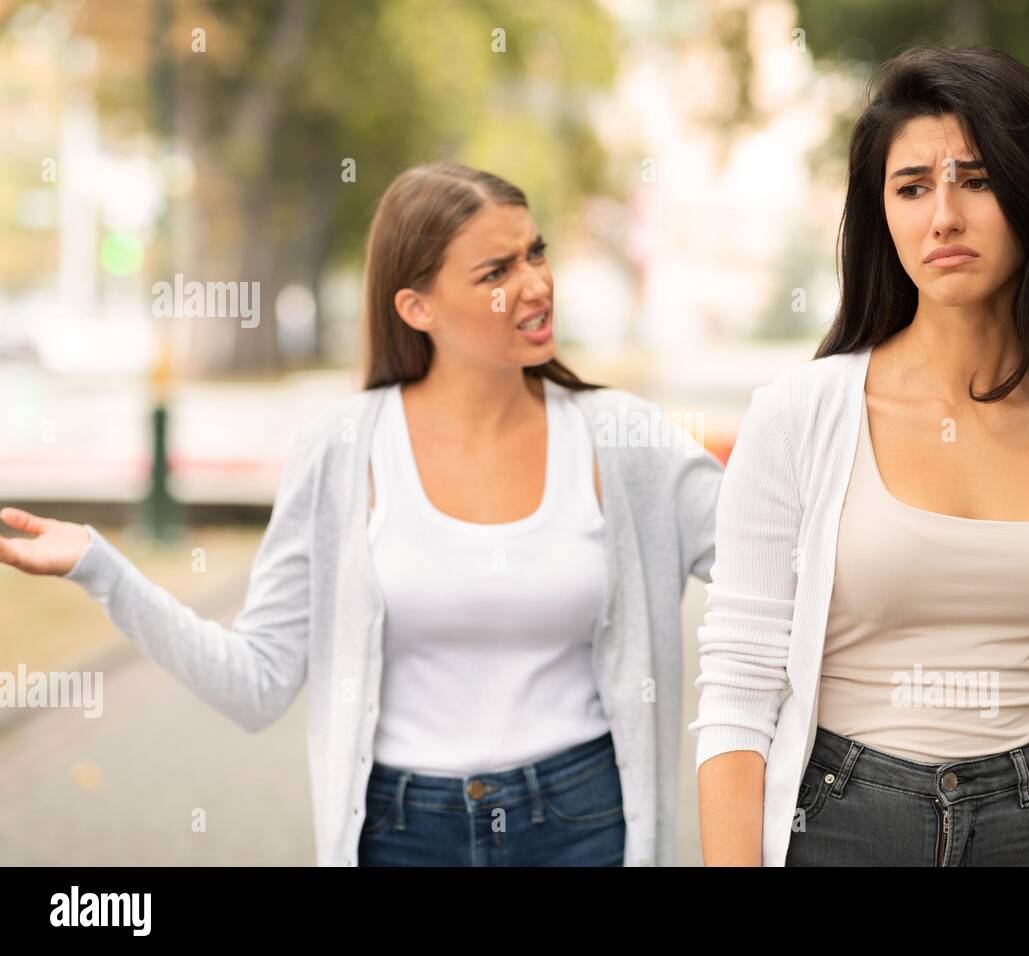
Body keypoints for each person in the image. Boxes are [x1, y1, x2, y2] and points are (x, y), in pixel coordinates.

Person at [0, 162, 722, 867]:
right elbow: (255, 684)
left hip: (583, 821)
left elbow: (782, 568)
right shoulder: (341, 448)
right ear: (417, 308)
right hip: (401, 832)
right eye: (495, 272)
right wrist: (103, 571)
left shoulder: (625, 439)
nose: (535, 285)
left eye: (535, 252)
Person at [691, 47, 1029, 867]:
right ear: (880, 212)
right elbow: (738, 692)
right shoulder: (797, 419)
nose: (943, 217)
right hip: (841, 820)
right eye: (912, 186)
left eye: (979, 180)